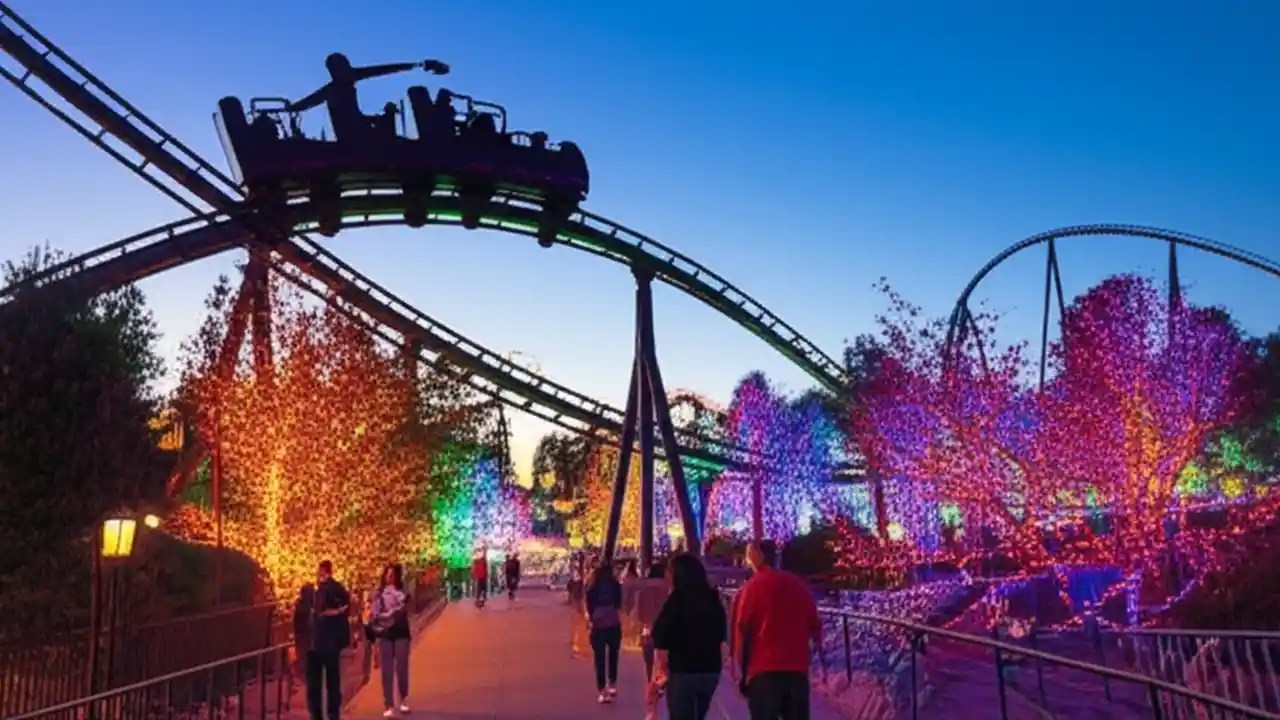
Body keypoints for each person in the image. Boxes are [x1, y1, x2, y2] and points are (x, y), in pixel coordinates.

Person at [733, 540, 821, 720]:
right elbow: (815, 626)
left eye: (749, 554)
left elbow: (743, 630)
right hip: (796, 671)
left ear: (757, 556)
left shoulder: (751, 588)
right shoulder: (798, 585)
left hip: (763, 671)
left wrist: (741, 673)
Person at [651, 554, 727, 720]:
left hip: (682, 670)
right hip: (710, 670)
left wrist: (661, 666)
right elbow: (722, 632)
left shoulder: (676, 600)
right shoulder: (713, 599)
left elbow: (660, 633)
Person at [307, 560, 351, 720]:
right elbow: (345, 607)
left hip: (319, 642)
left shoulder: (321, 591)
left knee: (316, 683)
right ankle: (333, 714)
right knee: (332, 680)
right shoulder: (338, 589)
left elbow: (319, 612)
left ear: (323, 571)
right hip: (331, 642)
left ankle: (317, 714)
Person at [367, 564, 412, 718]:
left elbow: (406, 610)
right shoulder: (379, 594)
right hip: (385, 634)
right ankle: (389, 704)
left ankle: (403, 698)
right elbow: (374, 614)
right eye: (387, 574)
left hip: (401, 632)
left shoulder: (403, 592)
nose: (389, 577)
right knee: (386, 671)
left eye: (392, 574)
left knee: (402, 668)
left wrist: (399, 606)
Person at [585, 561, 624, 704]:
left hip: (598, 623)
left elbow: (589, 603)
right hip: (613, 621)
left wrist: (591, 618)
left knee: (599, 658)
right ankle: (612, 684)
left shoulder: (592, 585)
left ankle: (602, 690)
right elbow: (619, 603)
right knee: (613, 654)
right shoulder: (615, 585)